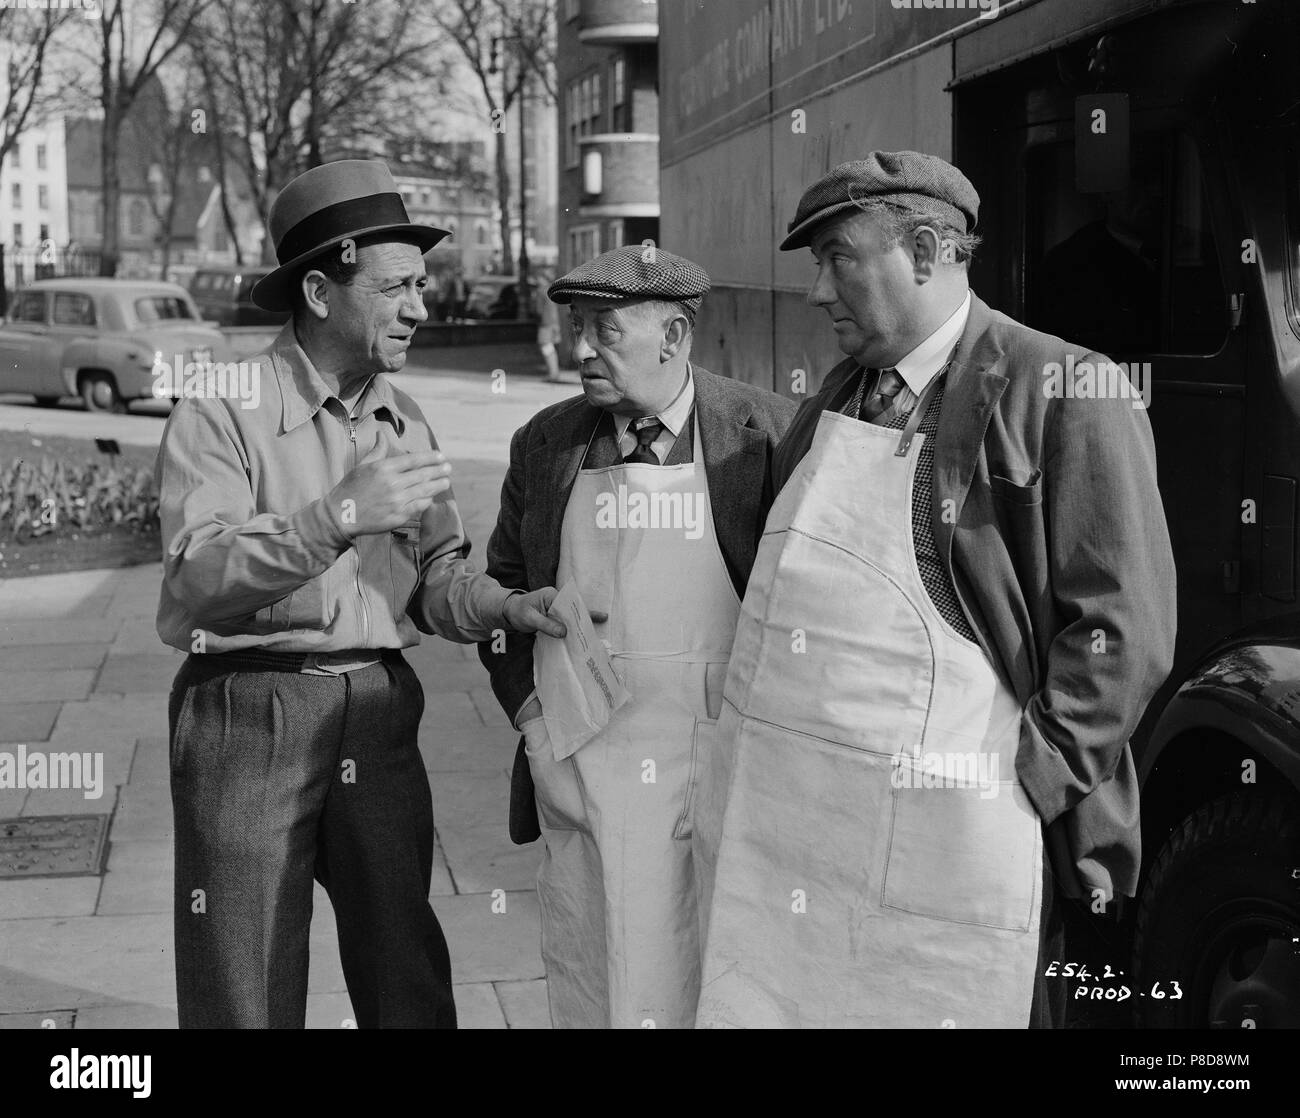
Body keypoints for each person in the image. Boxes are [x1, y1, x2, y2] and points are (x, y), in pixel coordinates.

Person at [693, 151, 1176, 1028]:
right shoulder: (840, 395)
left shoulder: (1063, 386)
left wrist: (1027, 777)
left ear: (924, 250)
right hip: (821, 834)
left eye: (838, 259)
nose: (816, 293)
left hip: (976, 836)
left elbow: (1122, 628)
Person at [156, 159, 564, 1029]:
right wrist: (338, 514)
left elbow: (434, 580)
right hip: (248, 711)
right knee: (246, 983)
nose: (420, 307)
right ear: (317, 289)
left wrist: (500, 607)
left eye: (421, 285)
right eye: (396, 288)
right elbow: (195, 578)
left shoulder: (404, 418)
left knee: (405, 973)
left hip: (377, 711)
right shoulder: (221, 405)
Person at [478, 245, 796, 1028]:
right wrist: (530, 722)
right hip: (584, 765)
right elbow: (505, 589)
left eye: (605, 330)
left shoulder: (765, 437)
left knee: (720, 979)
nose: (582, 348)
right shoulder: (546, 443)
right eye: (579, 326)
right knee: (598, 971)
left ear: (674, 335)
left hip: (719, 765)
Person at [534, 267, 564, 382]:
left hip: (545, 323)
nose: (537, 280)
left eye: (538, 278)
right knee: (550, 347)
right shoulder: (550, 290)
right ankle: (554, 372)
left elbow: (538, 310)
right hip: (553, 322)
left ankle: (553, 373)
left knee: (545, 347)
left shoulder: (541, 291)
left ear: (542, 278)